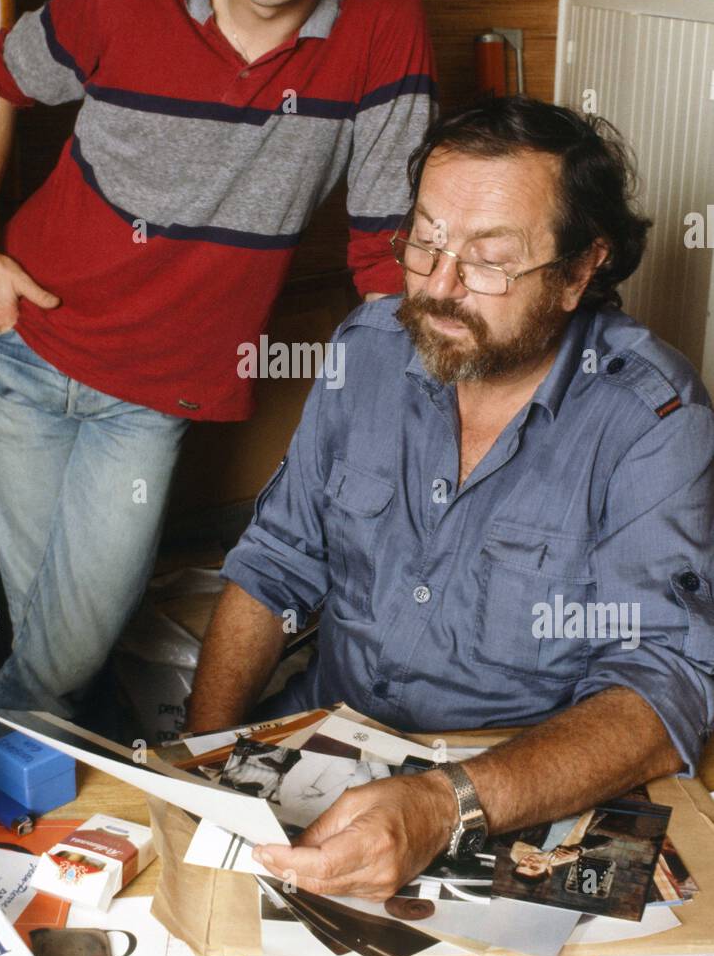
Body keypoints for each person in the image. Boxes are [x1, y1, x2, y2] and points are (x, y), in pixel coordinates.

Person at [0, 0, 436, 753]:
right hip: (16, 351)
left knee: (62, 652)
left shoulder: (384, 27)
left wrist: (426, 401)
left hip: (150, 398)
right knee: (63, 652)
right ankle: (50, 853)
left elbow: (383, 253)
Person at [186, 95, 714, 901]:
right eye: (424, 242)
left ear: (578, 270)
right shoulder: (364, 351)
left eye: (489, 259)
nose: (439, 287)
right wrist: (207, 763)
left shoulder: (652, 419)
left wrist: (444, 803)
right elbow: (274, 565)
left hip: (512, 787)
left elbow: (660, 686)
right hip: (328, 738)